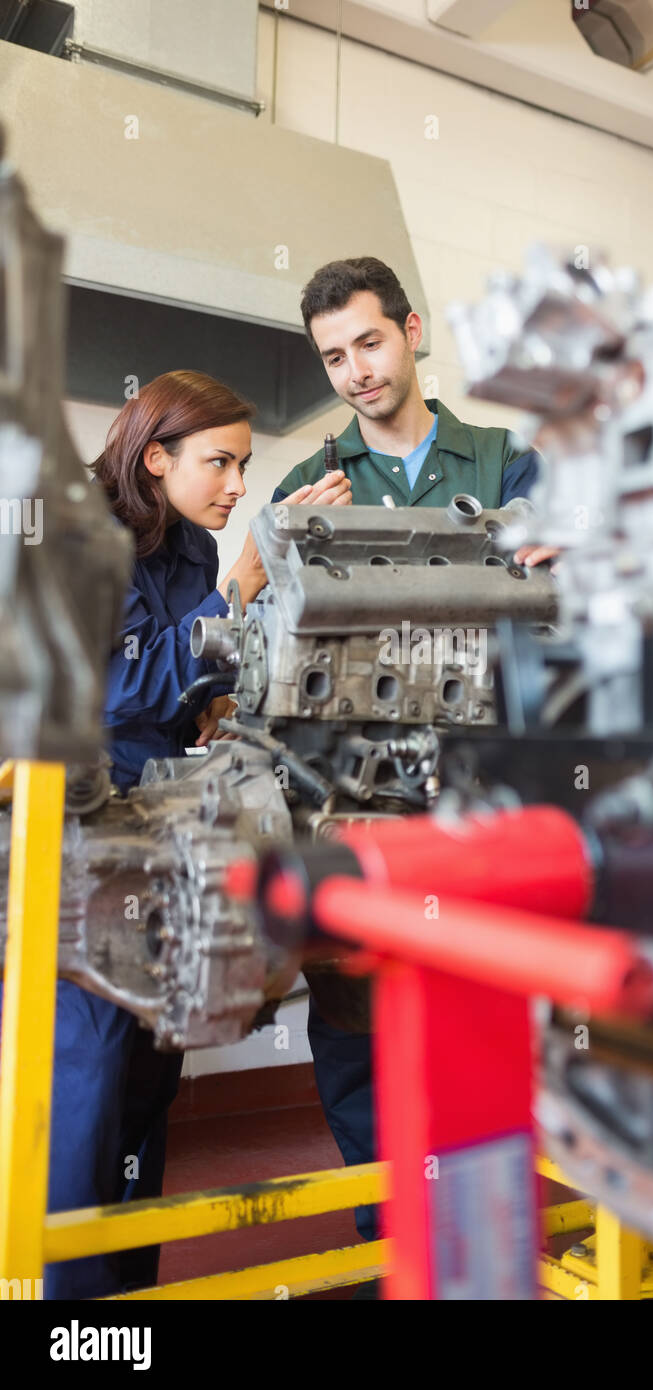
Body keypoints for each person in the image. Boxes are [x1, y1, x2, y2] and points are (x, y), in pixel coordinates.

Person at [22, 370, 348, 1299]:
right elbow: (119, 685)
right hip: (76, 837)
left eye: (244, 464)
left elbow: (181, 683)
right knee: (85, 1075)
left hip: (164, 825)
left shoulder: (190, 554)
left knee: (150, 1074)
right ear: (155, 455)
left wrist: (218, 699)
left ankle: (128, 1294)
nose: (237, 484)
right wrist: (243, 582)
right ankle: (70, 1310)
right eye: (221, 462)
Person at [270, 257, 555, 1249]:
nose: (353, 370)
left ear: (412, 330)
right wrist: (283, 547)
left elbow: (567, 580)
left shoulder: (501, 460)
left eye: (368, 341)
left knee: (483, 1006)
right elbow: (257, 622)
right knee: (354, 1019)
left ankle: (483, 1240)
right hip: (351, 790)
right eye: (333, 356)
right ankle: (388, 1236)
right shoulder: (309, 483)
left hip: (483, 781)